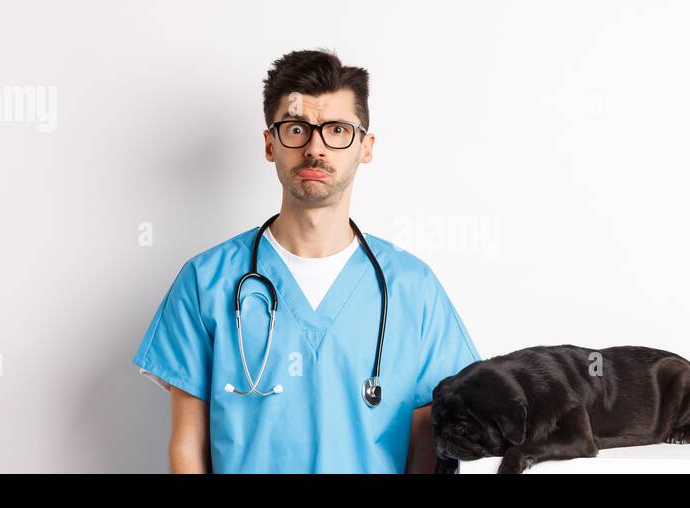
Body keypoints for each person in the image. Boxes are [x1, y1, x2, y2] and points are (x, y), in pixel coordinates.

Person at [132, 49, 480, 473]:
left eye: (337, 130)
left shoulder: (412, 288)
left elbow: (427, 451)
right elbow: (187, 450)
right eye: (296, 128)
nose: (315, 148)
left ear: (365, 147)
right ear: (269, 143)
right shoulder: (207, 281)